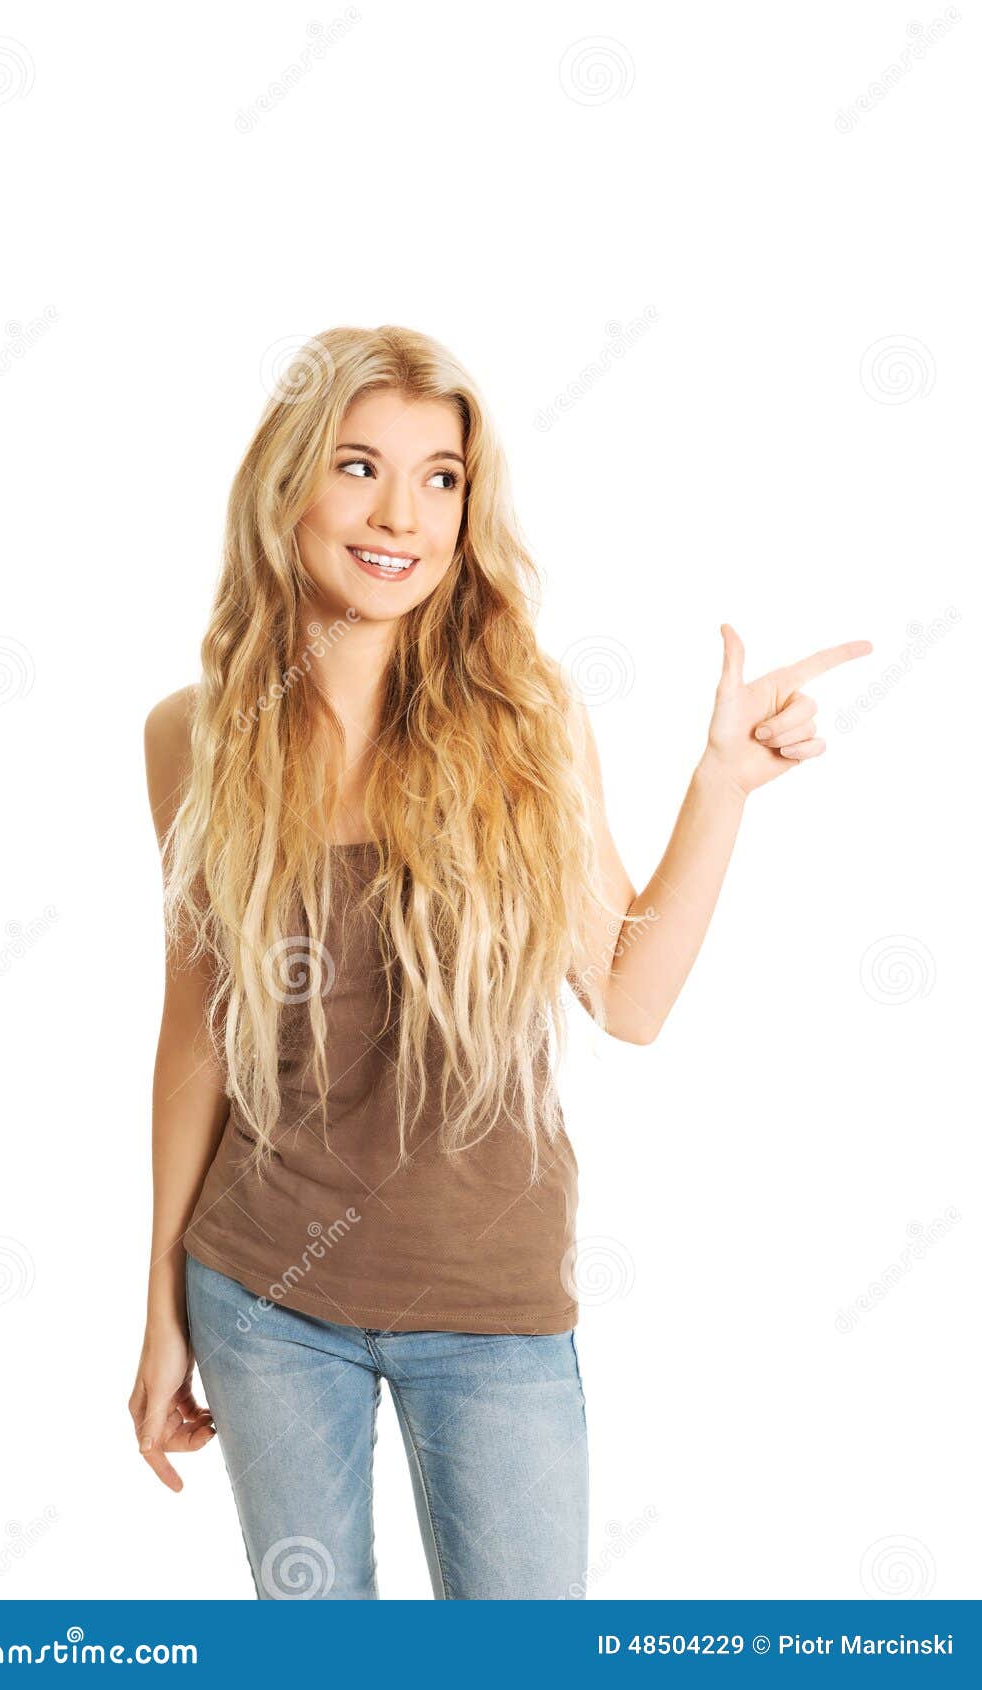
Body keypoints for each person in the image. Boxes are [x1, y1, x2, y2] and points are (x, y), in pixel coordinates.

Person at [129, 324, 871, 1600]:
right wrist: (160, 1310)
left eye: (441, 478)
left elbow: (628, 999)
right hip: (261, 1295)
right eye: (358, 466)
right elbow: (196, 1027)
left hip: (490, 1301)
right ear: (286, 480)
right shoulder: (194, 736)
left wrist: (723, 787)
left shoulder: (521, 719)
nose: (400, 515)